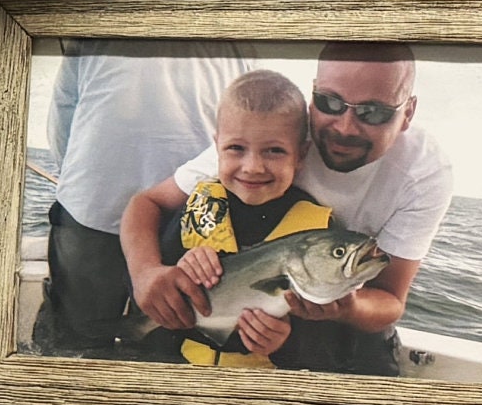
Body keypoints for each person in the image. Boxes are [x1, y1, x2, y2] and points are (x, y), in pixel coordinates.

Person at [122, 41, 453, 375]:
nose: (345, 127)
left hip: (339, 305)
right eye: (330, 102)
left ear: (408, 112)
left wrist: (347, 307)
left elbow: (390, 299)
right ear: (313, 95)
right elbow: (147, 203)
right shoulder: (270, 133)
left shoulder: (423, 173)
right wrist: (146, 273)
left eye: (373, 112)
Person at [29, 42, 250, 356]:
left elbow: (64, 107)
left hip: (91, 204)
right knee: (159, 342)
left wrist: (76, 177)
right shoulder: (237, 38)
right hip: (180, 213)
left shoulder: (92, 30)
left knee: (72, 341)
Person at [112, 70, 339, 368]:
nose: (253, 167)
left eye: (274, 151)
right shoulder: (198, 204)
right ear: (217, 146)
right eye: (236, 148)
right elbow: (152, 284)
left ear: (301, 154)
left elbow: (325, 345)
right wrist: (176, 269)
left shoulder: (320, 235)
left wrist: (284, 344)